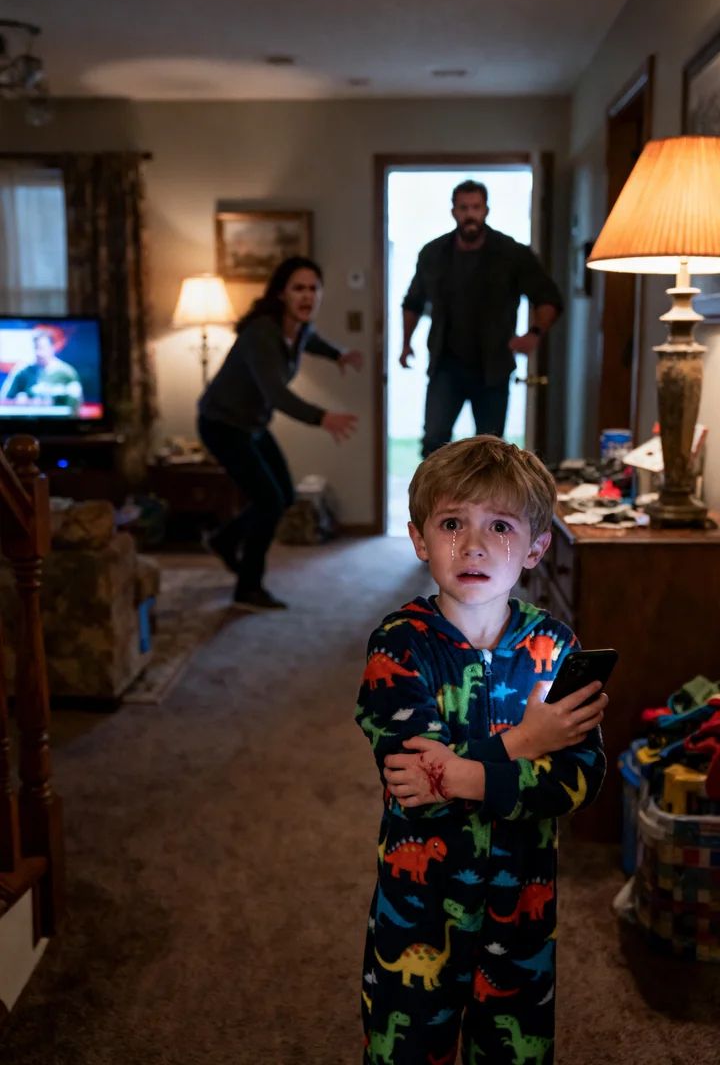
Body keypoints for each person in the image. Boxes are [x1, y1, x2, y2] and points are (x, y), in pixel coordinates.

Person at [355, 435, 607, 1064]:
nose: (473, 545)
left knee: (514, 1053)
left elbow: (579, 779)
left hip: (522, 907)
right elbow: (412, 779)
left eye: (500, 526)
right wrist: (528, 741)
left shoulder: (556, 647)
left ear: (536, 549)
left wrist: (460, 773)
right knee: (406, 1048)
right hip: (418, 908)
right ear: (419, 539)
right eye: (451, 524)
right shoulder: (398, 646)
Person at [197, 255, 362, 611]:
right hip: (222, 424)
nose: (307, 296)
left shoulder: (298, 329)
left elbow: (312, 340)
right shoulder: (262, 333)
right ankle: (248, 587)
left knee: (283, 496)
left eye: (313, 289)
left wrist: (339, 354)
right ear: (281, 294)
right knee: (269, 501)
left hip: (251, 425)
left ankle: (225, 540)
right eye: (298, 288)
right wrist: (322, 417)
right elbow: (277, 394)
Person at [401, 180, 563, 458]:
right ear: (454, 211)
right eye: (464, 208)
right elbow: (412, 302)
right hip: (445, 365)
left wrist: (534, 333)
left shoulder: (511, 253)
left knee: (491, 452)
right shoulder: (433, 253)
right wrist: (406, 344)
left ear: (486, 210)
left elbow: (549, 298)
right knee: (434, 443)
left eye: (476, 207)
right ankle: (434, 489)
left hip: (493, 367)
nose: (470, 214)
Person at [0, 325, 83, 413]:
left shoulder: (67, 372)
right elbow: (4, 400)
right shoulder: (22, 371)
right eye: (36, 348)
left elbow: (76, 403)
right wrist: (19, 402)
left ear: (52, 347)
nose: (39, 353)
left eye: (42, 348)